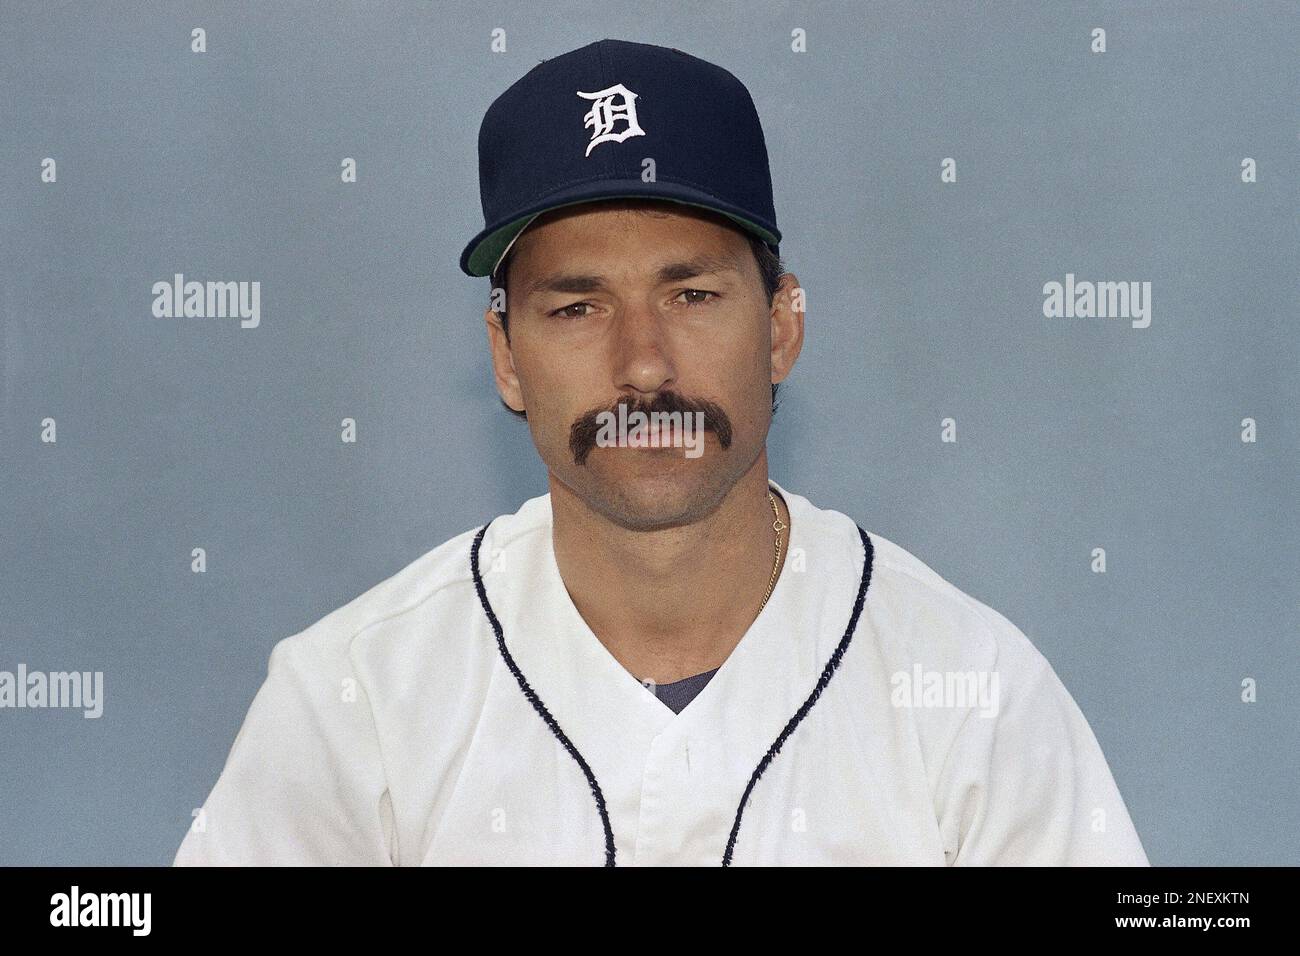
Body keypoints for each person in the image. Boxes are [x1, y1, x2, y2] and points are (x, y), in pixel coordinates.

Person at [174, 38, 1148, 866]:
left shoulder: (971, 692)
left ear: (779, 326)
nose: (642, 364)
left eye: (691, 294)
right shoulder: (354, 698)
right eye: (576, 306)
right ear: (506, 356)